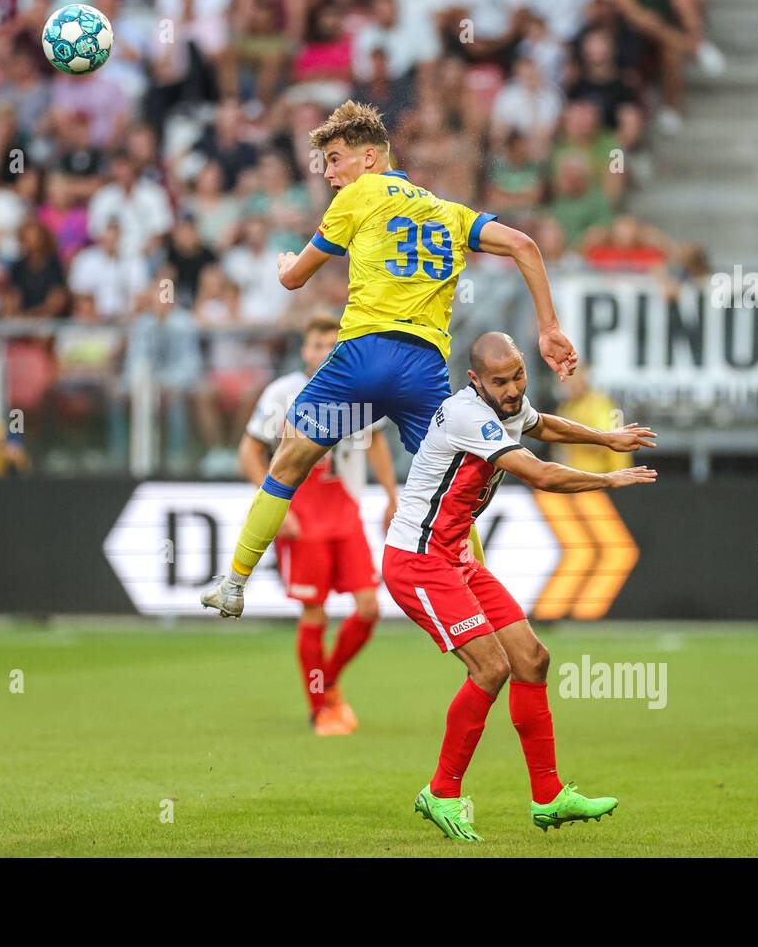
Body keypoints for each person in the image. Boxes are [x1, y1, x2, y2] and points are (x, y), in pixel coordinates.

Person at [201, 100, 578, 619]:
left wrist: (287, 262)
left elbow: (295, 279)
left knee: (287, 460)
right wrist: (549, 328)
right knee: (453, 496)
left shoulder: (360, 196)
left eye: (336, 159)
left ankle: (235, 581)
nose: (329, 174)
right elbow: (524, 244)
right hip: (422, 372)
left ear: (371, 158)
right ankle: (482, 604)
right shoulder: (448, 211)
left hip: (362, 358)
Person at [381, 332, 657, 842]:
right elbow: (540, 474)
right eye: (500, 381)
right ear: (475, 381)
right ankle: (441, 792)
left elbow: (539, 422)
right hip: (419, 561)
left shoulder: (507, 404)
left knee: (530, 658)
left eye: (518, 377)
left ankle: (549, 796)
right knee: (491, 667)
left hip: (456, 555)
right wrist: (607, 478)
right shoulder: (467, 415)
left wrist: (606, 438)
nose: (511, 390)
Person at [239, 315, 398, 737]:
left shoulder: (360, 388)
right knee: (315, 612)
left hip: (345, 514)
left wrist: (392, 497)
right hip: (302, 514)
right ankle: (319, 709)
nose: (323, 351)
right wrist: (273, 505)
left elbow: (377, 440)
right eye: (315, 344)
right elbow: (249, 450)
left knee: (369, 608)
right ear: (304, 351)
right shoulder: (283, 393)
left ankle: (327, 681)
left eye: (332, 343)